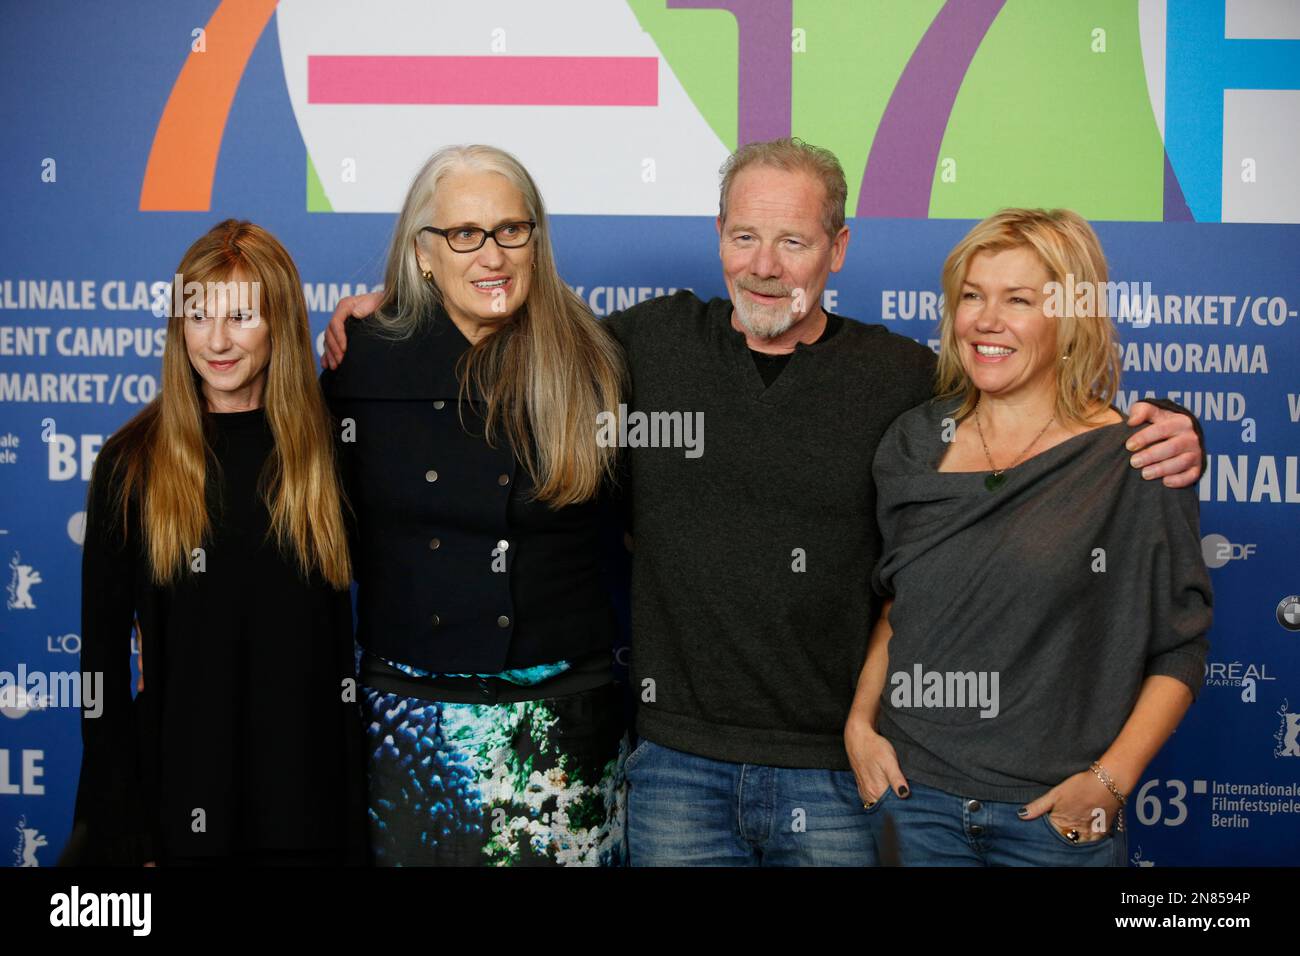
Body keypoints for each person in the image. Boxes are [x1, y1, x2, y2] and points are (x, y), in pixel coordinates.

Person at [322, 139, 1205, 866]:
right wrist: (394, 313)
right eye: (744, 237)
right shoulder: (643, 345)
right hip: (673, 768)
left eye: (793, 242)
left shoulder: (901, 380)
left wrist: (1168, 426)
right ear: (717, 237)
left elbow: (1021, 397)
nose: (766, 267)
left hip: (838, 772)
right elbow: (514, 326)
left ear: (840, 246)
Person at [845, 209, 1213, 866]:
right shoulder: (915, 440)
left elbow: (1180, 650)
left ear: (1070, 319)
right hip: (914, 802)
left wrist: (1108, 783)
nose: (986, 320)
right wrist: (860, 726)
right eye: (972, 296)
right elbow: (900, 608)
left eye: (1018, 300)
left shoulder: (1137, 458)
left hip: (1051, 824)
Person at [319, 145, 629, 866]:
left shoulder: (595, 358)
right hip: (411, 716)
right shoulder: (361, 359)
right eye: (464, 234)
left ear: (536, 239)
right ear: (422, 254)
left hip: (564, 720)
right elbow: (319, 533)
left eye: (510, 230)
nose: (491, 253)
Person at [72, 220, 366, 865]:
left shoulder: (334, 446)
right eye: (198, 317)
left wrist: (379, 308)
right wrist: (125, 826)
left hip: (310, 798)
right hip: (177, 797)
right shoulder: (133, 461)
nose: (217, 341)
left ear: (280, 322)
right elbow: (100, 670)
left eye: (241, 318)